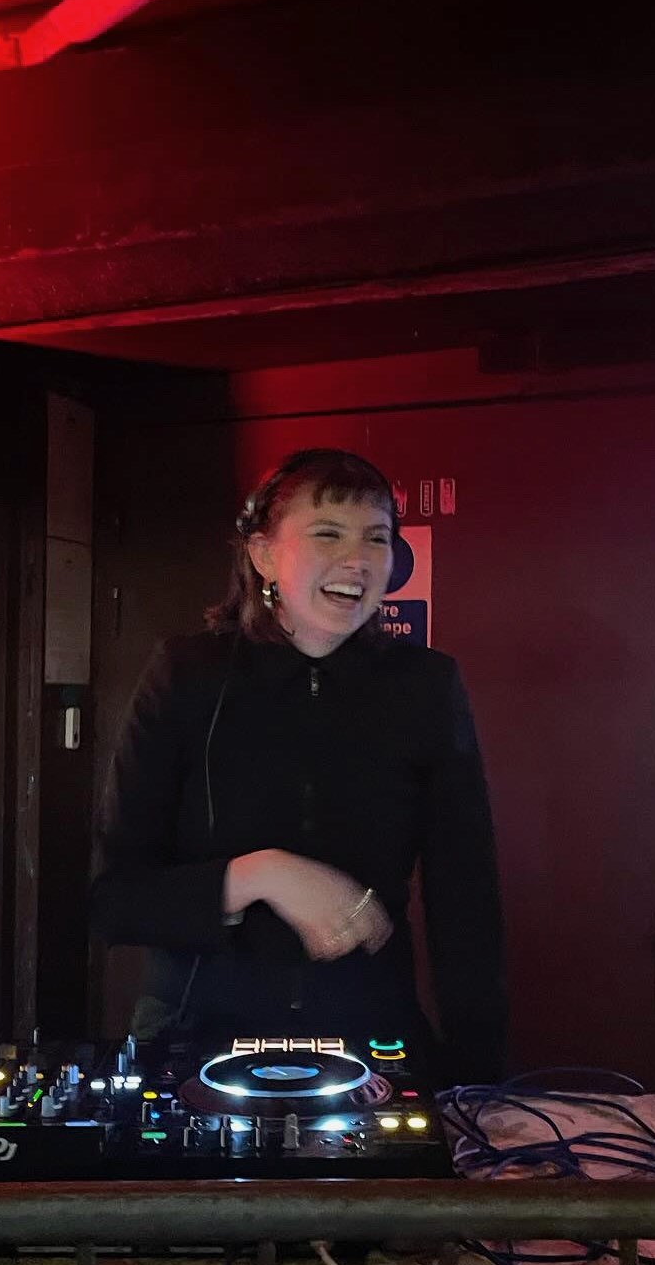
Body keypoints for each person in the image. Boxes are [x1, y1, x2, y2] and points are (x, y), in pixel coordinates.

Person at [90, 448, 505, 1084]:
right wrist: (263, 875)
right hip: (196, 1035)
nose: (358, 559)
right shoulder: (186, 675)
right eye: (328, 533)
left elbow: (466, 899)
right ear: (262, 555)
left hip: (370, 1035)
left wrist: (480, 1079)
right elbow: (115, 900)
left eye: (376, 538)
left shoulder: (425, 685)